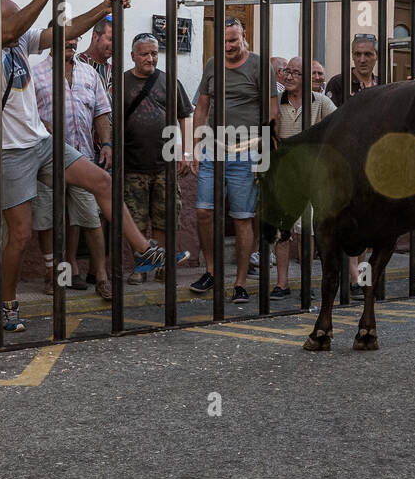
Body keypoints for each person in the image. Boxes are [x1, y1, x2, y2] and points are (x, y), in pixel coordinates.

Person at [0, 0, 183, 332]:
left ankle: (144, 251)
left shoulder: (19, 44)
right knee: (18, 234)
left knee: (101, 182)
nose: (24, 27)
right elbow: (13, 28)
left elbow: (64, 32)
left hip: (42, 143)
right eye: (13, 19)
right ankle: (7, 304)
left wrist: (104, 7)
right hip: (9, 151)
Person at [190, 18, 277, 304]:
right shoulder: (213, 64)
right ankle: (212, 271)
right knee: (204, 212)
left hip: (247, 151)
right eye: (224, 41)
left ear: (243, 38)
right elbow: (202, 106)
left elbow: (272, 111)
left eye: (233, 40)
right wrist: (194, 147)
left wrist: (266, 149)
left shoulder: (259, 65)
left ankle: (240, 282)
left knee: (242, 218)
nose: (228, 46)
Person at [32, 33, 114, 300]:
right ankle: (52, 275)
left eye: (74, 39)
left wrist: (107, 144)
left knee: (90, 217)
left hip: (82, 159)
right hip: (47, 161)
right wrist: (47, 131)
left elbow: (101, 111)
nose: (71, 43)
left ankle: (101, 276)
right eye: (66, 38)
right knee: (48, 219)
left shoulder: (90, 74)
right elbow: (28, 115)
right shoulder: (36, 73)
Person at [122, 33, 195, 284]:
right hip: (132, 165)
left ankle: (164, 265)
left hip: (165, 164)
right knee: (136, 219)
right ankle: (142, 267)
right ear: (133, 56)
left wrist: (186, 153)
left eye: (154, 53)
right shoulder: (122, 83)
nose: (150, 58)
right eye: (144, 54)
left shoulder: (168, 81)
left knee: (166, 218)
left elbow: (185, 115)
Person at [271, 57, 336, 300]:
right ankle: (282, 283)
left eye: (296, 73)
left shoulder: (320, 102)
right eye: (287, 71)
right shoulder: (275, 101)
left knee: (306, 231)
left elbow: (336, 127)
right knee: (282, 231)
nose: (288, 76)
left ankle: (306, 279)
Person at [325, 33, 381, 107]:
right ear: (352, 56)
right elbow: (330, 116)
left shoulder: (381, 83)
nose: (362, 60)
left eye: (368, 54)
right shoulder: (338, 83)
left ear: (376, 56)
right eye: (358, 54)